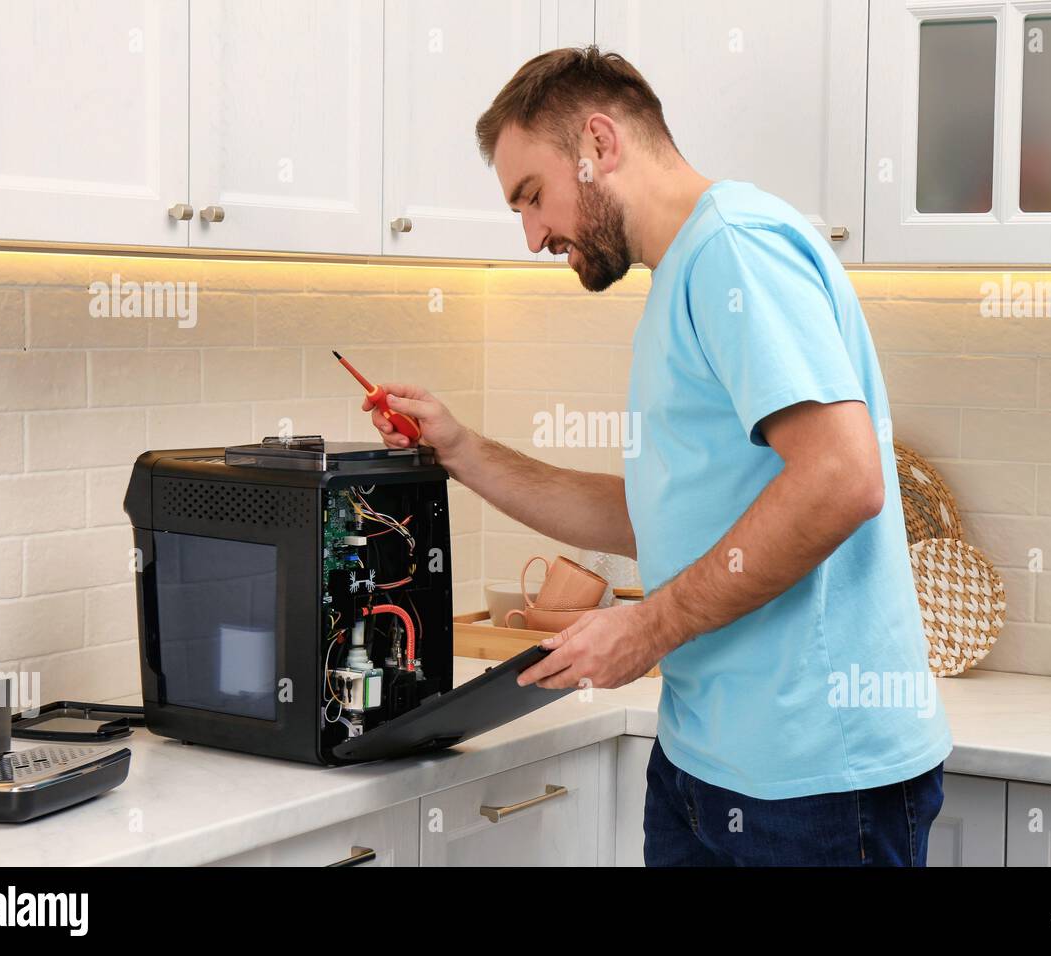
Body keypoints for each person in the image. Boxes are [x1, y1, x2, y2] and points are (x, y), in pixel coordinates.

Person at [363, 45, 952, 866]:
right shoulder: (683, 274)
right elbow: (659, 517)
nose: (533, 235)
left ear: (599, 144)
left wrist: (647, 627)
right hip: (702, 765)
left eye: (532, 197)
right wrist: (461, 451)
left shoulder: (735, 251)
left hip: (812, 783)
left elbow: (843, 480)